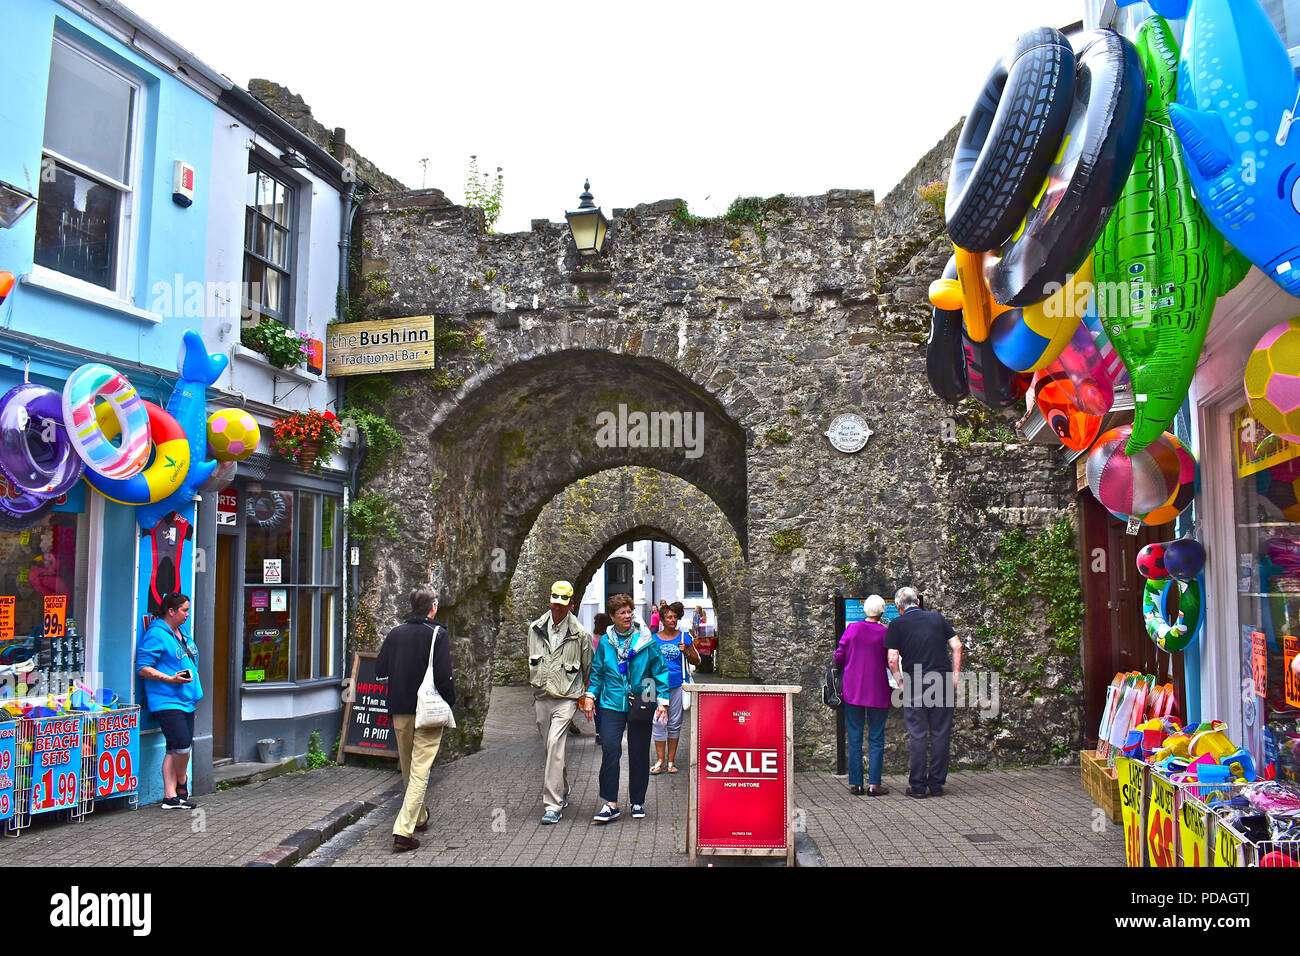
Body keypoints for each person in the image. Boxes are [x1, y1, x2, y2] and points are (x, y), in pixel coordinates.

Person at [375, 586, 455, 852]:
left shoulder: (395, 633)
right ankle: (403, 831)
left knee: (410, 768)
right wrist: (450, 702)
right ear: (433, 607)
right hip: (427, 712)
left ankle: (419, 817)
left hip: (399, 708)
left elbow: (380, 669)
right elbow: (443, 676)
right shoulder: (437, 634)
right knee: (420, 771)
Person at [581, 592, 668, 823]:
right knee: (610, 746)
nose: (628, 616)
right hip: (611, 702)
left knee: (639, 751)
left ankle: (637, 800)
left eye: (630, 611)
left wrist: (663, 701)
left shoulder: (646, 640)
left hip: (642, 700)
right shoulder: (607, 643)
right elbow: (598, 672)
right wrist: (590, 696)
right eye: (622, 613)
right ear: (612, 617)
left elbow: (659, 671)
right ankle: (610, 803)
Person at [527, 580, 593, 824]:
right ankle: (562, 788)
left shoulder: (580, 634)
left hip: (566, 698)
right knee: (550, 749)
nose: (558, 609)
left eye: (563, 605)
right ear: (550, 601)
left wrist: (584, 696)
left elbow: (589, 668)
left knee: (555, 744)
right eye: (555, 604)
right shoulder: (535, 629)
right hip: (542, 697)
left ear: (571, 605)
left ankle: (552, 805)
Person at [886, 587, 961, 798]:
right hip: (942, 679)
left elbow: (892, 659)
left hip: (915, 681)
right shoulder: (937, 618)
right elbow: (956, 645)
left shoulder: (897, 624)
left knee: (918, 734)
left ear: (899, 608)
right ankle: (936, 784)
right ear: (918, 602)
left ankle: (918, 786)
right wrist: (955, 676)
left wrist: (900, 682)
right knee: (940, 732)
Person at [136, 592, 202, 810]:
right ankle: (182, 782)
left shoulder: (181, 632)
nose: (187, 615)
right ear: (171, 611)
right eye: (184, 610)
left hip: (186, 698)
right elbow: (143, 668)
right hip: (166, 699)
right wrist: (170, 679)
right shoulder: (156, 634)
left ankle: (170, 797)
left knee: (174, 747)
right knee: (182, 744)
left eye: (188, 610)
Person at [834, 594, 893, 796]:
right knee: (876, 737)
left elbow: (839, 656)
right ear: (882, 611)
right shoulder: (885, 633)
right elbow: (889, 661)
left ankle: (856, 783)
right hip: (877, 690)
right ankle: (874, 784)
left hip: (854, 689)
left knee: (855, 736)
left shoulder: (852, 629)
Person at [652, 601, 700, 774]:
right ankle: (659, 760)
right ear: (662, 620)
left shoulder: (684, 637)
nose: (672, 620)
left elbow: (697, 661)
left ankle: (671, 761)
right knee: (658, 722)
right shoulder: (654, 639)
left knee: (674, 723)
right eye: (669, 617)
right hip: (658, 687)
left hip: (678, 685)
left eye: (675, 617)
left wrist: (686, 650)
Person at [590, 612, 612, 744]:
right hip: (608, 677)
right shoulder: (608, 640)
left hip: (595, 677)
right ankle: (606, 730)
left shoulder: (593, 640)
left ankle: (598, 732)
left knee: (596, 705)